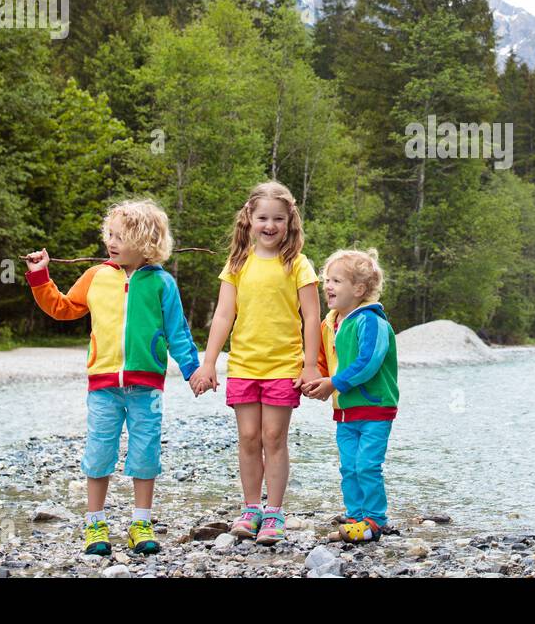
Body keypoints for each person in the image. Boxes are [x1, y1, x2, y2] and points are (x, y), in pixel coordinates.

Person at [24, 199, 200, 557]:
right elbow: (62, 307)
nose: (111, 242)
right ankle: (95, 524)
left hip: (145, 385)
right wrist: (40, 276)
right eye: (110, 235)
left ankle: (141, 523)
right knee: (99, 451)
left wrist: (194, 370)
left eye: (121, 237)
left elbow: (178, 332)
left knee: (146, 452)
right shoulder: (96, 276)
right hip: (103, 385)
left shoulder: (163, 284)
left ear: (146, 241)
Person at [190, 181, 320, 545]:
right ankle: (251, 508)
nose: (270, 225)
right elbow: (223, 316)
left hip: (283, 366)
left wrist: (310, 366)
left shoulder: (297, 264)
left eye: (278, 218)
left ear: (289, 221)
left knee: (273, 437)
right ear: (249, 218)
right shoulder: (237, 263)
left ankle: (275, 513)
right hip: (244, 366)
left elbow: (311, 317)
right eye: (262, 217)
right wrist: (208, 363)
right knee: (248, 437)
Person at [303, 248, 398, 543]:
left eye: (336, 281)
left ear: (358, 289)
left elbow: (368, 362)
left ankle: (375, 520)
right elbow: (321, 360)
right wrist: (312, 379)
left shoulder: (371, 321)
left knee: (367, 465)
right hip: (344, 412)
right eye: (326, 280)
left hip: (375, 407)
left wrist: (335, 383)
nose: (328, 286)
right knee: (348, 466)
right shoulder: (329, 323)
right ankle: (356, 516)